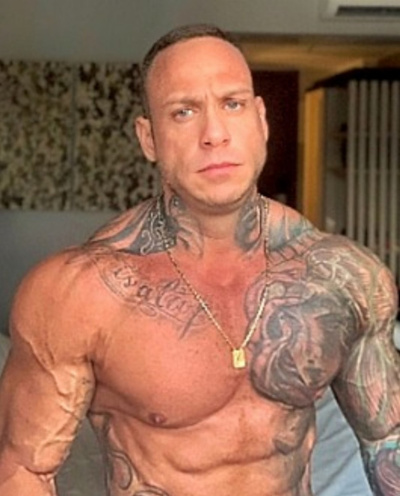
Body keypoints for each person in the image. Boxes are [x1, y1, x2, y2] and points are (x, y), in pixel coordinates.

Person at [0, 23, 399, 496]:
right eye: (184, 112)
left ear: (261, 120)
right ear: (149, 138)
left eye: (232, 104)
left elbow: (388, 444)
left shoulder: (343, 278)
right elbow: (22, 471)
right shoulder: (80, 292)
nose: (214, 134)